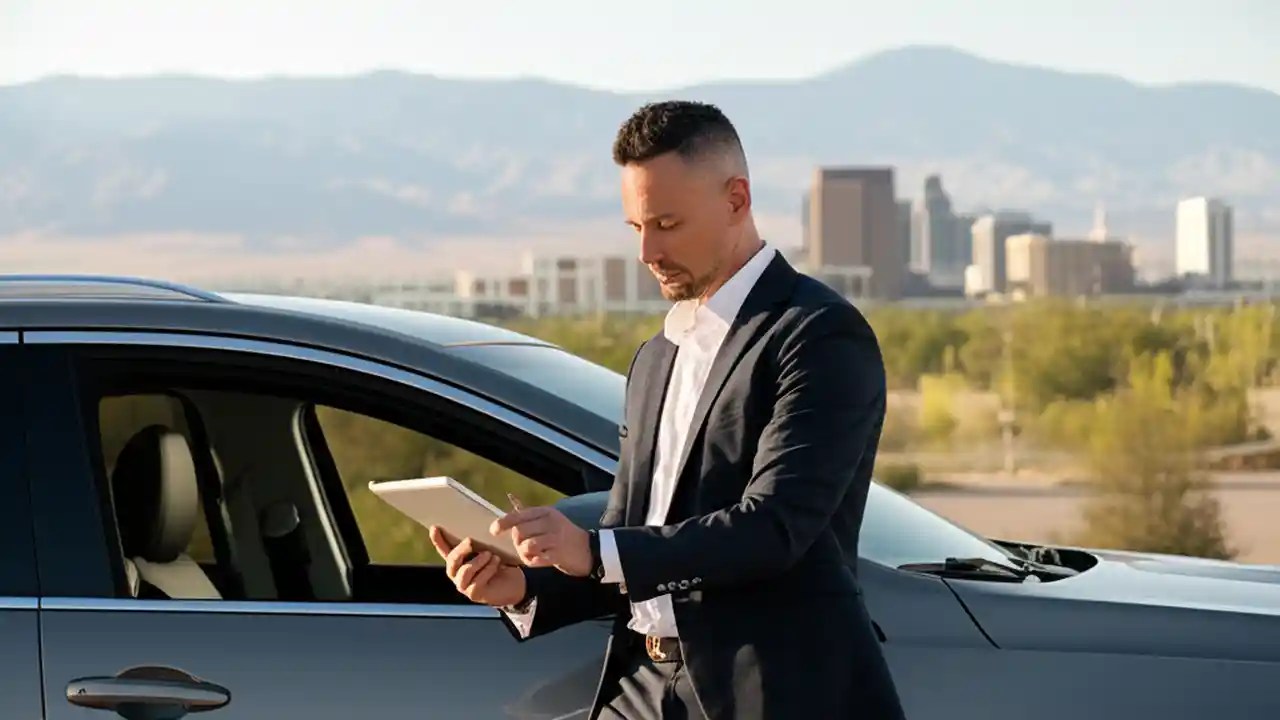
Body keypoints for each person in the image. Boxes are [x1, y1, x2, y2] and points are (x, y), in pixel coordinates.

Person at [430, 100, 906, 720]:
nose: (647, 251)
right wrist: (523, 586)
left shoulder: (818, 335)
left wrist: (594, 552)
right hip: (640, 687)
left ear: (737, 199)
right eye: (636, 227)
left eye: (667, 224)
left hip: (769, 694)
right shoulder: (657, 356)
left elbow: (775, 528)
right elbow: (635, 529)